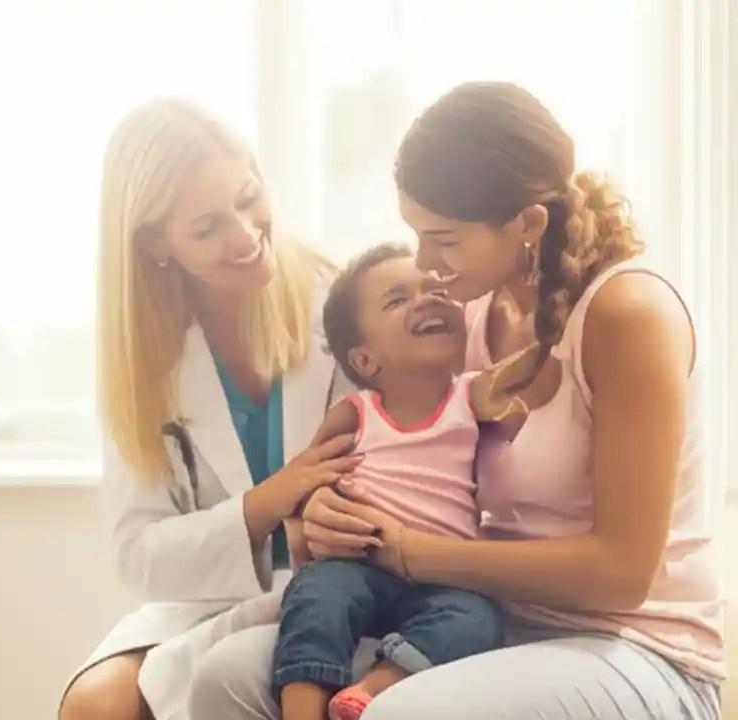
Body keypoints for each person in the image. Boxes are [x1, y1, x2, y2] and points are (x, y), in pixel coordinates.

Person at [188, 81, 725, 719]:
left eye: (443, 240)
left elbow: (623, 572)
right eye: (416, 234)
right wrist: (323, 514)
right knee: (221, 677)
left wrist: (413, 555)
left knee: (402, 713)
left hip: (633, 646)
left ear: (527, 223)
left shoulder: (627, 314)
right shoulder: (464, 319)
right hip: (483, 622)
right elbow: (398, 454)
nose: (425, 263)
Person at [57, 98, 362, 720]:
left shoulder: (347, 303)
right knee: (95, 706)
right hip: (216, 599)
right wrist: (265, 506)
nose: (245, 236)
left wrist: (315, 523)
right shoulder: (145, 360)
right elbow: (138, 553)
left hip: (344, 587)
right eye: (206, 228)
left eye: (248, 199)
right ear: (155, 244)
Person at [277, 243, 532, 720]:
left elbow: (534, 371)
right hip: (356, 567)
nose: (428, 299)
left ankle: (374, 688)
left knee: (477, 619)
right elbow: (306, 480)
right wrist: (312, 506)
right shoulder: (353, 414)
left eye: (437, 289)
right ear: (366, 360)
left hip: (443, 579)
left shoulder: (471, 394)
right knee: (315, 595)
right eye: (398, 300)